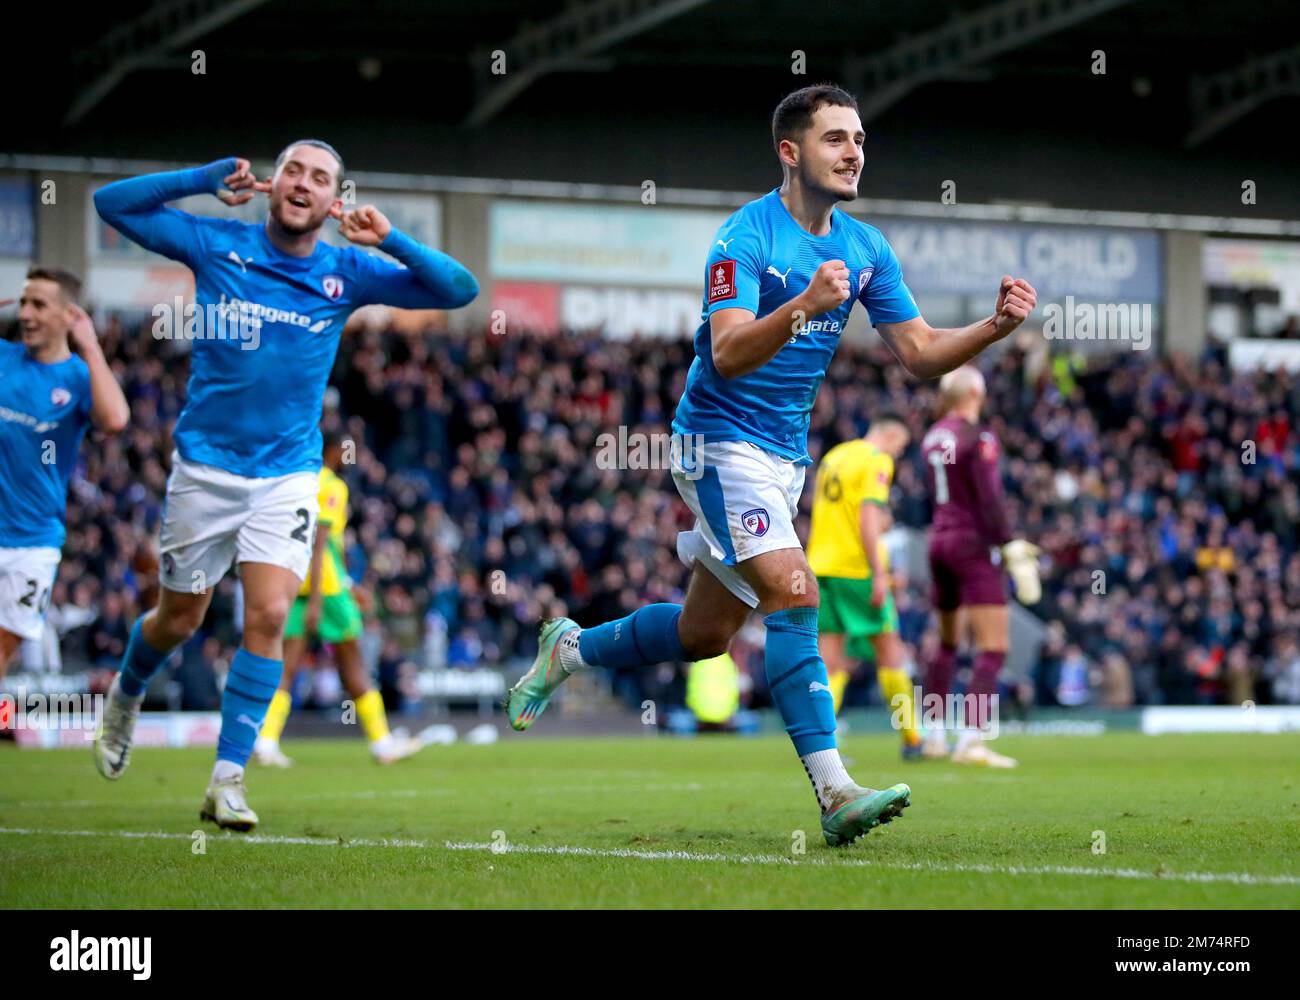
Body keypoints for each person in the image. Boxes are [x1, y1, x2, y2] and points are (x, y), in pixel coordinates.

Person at [505, 84, 1037, 846]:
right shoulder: (743, 238)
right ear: (790, 152)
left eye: (858, 138)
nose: (854, 151)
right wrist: (804, 308)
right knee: (795, 589)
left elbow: (918, 353)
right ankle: (834, 792)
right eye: (835, 139)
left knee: (704, 637)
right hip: (716, 442)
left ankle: (570, 648)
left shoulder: (864, 247)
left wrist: (993, 326)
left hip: (782, 456)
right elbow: (725, 351)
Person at [90, 141, 478, 830]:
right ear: (273, 185)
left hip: (288, 475)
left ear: (335, 201)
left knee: (270, 616)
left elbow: (458, 289)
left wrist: (393, 239)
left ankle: (228, 779)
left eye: (320, 178)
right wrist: (203, 177)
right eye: (294, 170)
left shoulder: (347, 270)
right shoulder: (217, 243)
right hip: (205, 469)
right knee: (180, 618)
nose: (304, 184)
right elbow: (108, 204)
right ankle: (126, 691)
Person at [254, 431, 423, 766]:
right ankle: (382, 743)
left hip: (295, 582)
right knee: (354, 665)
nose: (351, 456)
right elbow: (321, 543)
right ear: (331, 450)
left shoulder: (296, 482)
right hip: (325, 590)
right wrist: (323, 597)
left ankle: (266, 741)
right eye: (346, 450)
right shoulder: (332, 485)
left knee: (286, 667)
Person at [0, 270, 129, 681]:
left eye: (39, 304)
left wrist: (90, 346)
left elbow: (116, 419)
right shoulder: (3, 357)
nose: (26, 314)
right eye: (24, 303)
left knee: (4, 649)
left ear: (68, 315)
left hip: (33, 542)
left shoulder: (78, 376)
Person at [920, 365, 1040, 767]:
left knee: (948, 643)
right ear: (974, 392)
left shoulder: (933, 436)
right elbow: (990, 499)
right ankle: (971, 740)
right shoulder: (978, 437)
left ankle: (934, 735)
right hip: (971, 543)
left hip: (938, 541)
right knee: (993, 647)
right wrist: (1008, 545)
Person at [805, 412, 922, 757]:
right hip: (856, 569)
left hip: (821, 566)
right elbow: (867, 516)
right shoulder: (876, 459)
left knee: (830, 660)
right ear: (891, 436)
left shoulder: (834, 456)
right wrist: (880, 572)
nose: (898, 455)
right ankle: (913, 738)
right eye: (900, 447)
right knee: (890, 652)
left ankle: (820, 743)